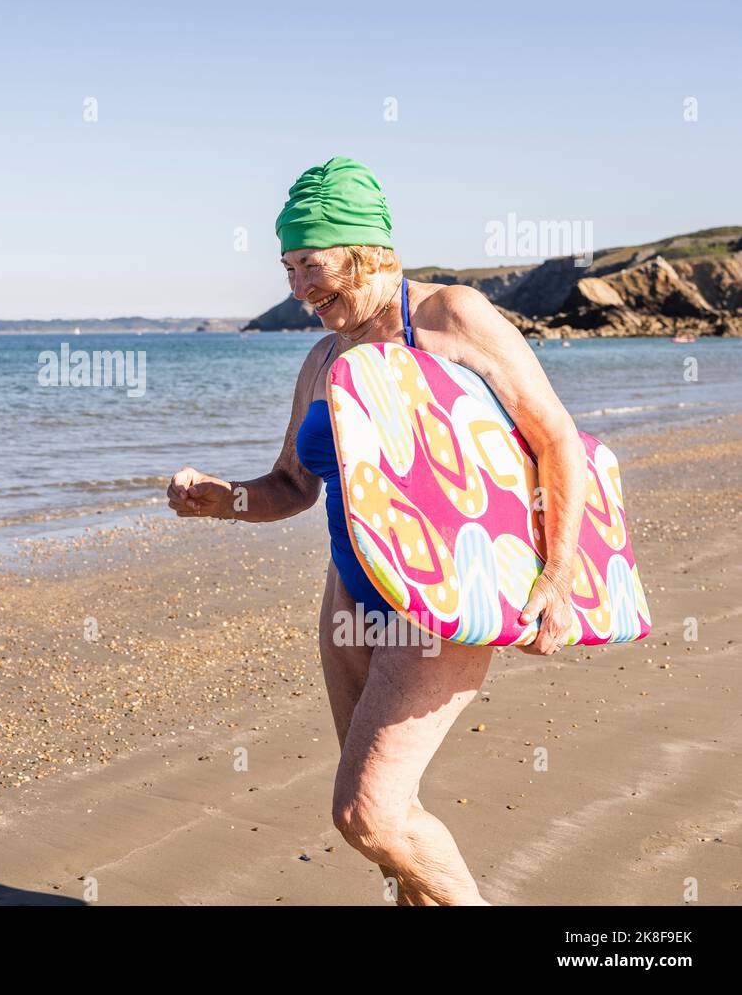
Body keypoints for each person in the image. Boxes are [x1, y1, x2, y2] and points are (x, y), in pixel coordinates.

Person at [167, 157, 586, 905]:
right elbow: (293, 486)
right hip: (350, 597)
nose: (297, 288)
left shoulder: (449, 318)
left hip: (443, 593)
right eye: (288, 267)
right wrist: (220, 500)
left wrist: (556, 579)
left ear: (367, 250)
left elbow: (555, 438)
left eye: (313, 265)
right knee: (390, 836)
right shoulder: (324, 359)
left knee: (368, 813)